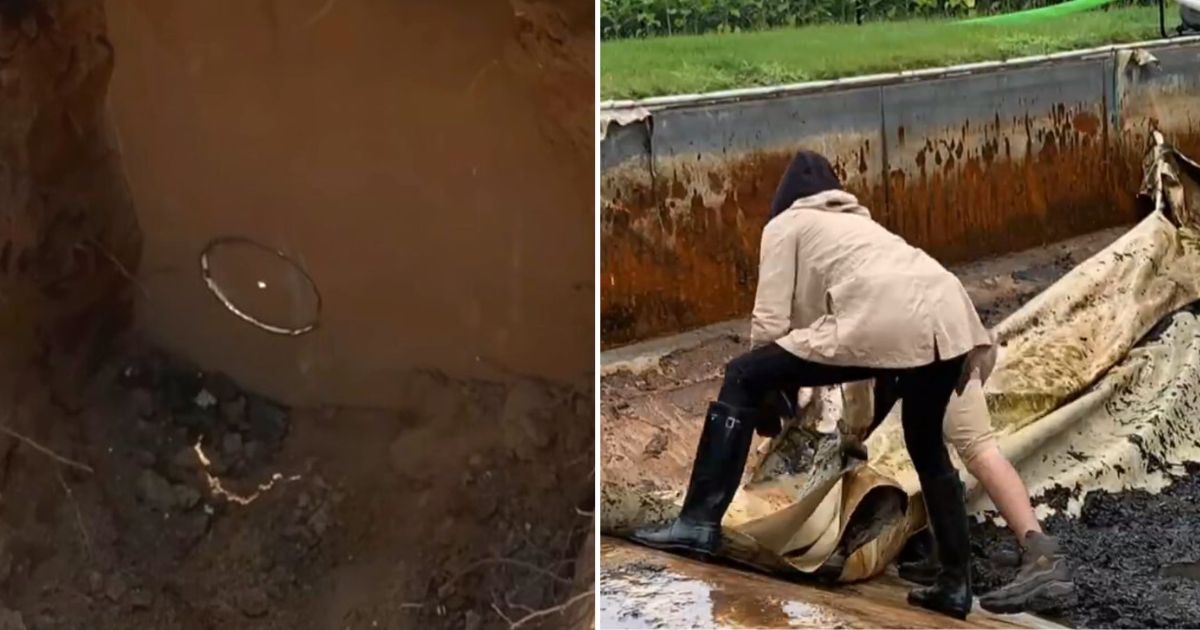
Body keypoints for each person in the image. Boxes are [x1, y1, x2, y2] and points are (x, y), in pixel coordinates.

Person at [631, 150, 995, 620]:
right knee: (924, 441)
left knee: (742, 373)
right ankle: (954, 584)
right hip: (951, 315)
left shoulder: (785, 224)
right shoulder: (861, 225)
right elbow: (868, 353)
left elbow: (770, 324)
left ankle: (697, 523)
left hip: (890, 318)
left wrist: (765, 390)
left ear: (784, 199)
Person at [881, 379, 1076, 614]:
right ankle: (945, 558)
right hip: (934, 362)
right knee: (928, 442)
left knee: (978, 449)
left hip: (945, 362)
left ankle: (1043, 557)